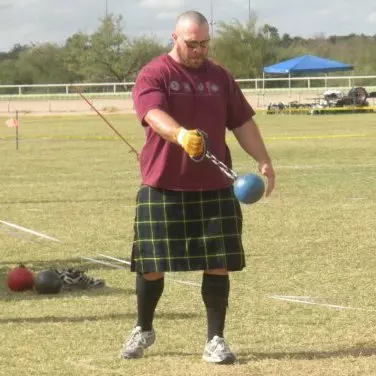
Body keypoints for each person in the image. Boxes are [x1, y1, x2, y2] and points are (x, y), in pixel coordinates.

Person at [120, 10, 276, 364]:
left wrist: (264, 159)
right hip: (162, 184)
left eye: (205, 43)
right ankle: (144, 328)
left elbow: (243, 122)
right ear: (174, 38)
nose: (199, 50)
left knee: (218, 262)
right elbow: (151, 113)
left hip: (216, 185)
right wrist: (180, 134)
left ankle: (215, 339)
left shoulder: (220, 77)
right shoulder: (155, 73)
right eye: (192, 44)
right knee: (151, 263)